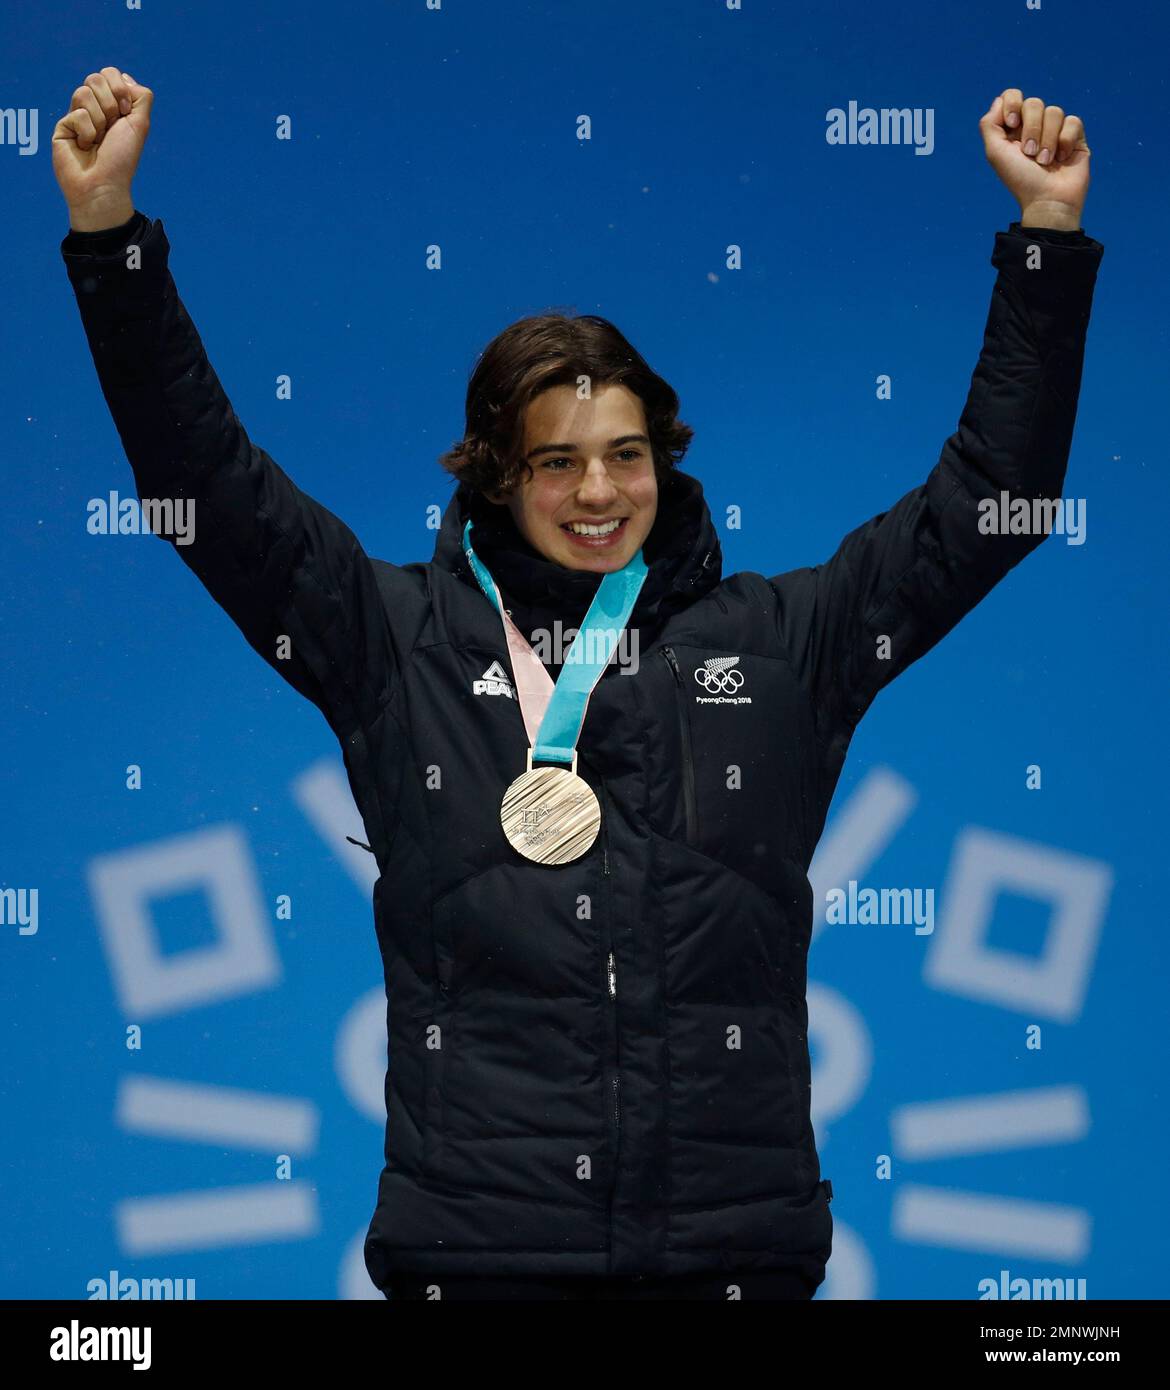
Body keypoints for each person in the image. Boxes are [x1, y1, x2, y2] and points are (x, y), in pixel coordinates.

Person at [54, 70, 1104, 1301]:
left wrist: (1045, 239)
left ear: (664, 458)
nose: (599, 495)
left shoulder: (782, 641)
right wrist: (112, 237)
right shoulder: (395, 641)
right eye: (557, 463)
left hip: (736, 1256)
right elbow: (212, 492)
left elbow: (992, 505)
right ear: (498, 475)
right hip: (485, 1257)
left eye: (626, 457)